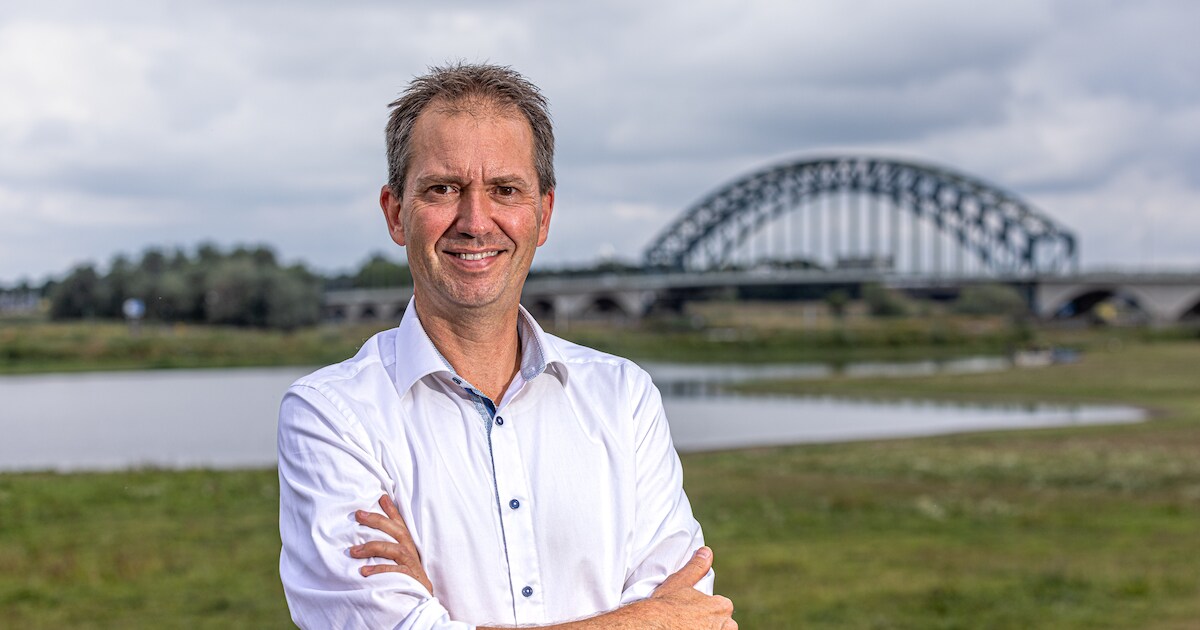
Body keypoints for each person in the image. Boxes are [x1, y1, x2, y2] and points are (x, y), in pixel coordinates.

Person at [277, 62, 736, 629]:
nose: (475, 221)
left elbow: (693, 609)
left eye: (505, 190)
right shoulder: (333, 415)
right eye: (443, 189)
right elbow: (675, 621)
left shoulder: (623, 397)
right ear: (396, 213)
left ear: (543, 214)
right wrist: (649, 620)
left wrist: (442, 615)